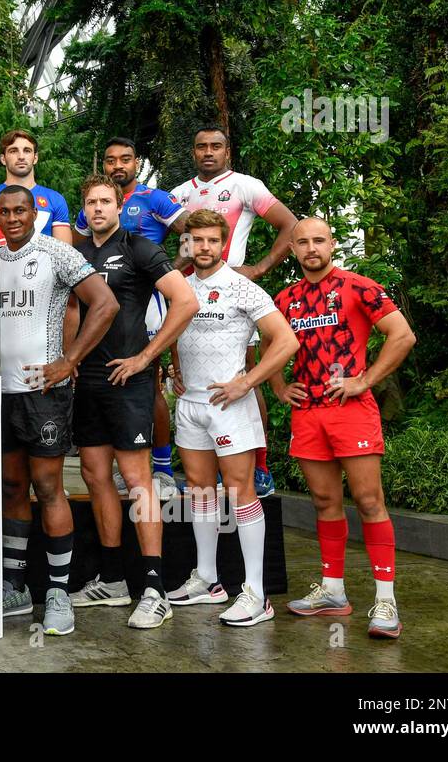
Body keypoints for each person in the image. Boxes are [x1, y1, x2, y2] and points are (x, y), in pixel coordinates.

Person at [0, 186, 117, 636]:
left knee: (48, 486)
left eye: (21, 210)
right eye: (5, 212)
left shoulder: (57, 253)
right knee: (12, 486)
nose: (12, 218)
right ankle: (13, 588)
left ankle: (56, 592)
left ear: (35, 213)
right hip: (1, 394)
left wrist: (69, 360)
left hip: (43, 391)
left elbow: (105, 304)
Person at [271, 217, 416, 639]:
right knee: (322, 500)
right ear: (294, 249)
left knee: (369, 501)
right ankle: (333, 590)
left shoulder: (359, 287)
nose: (311, 247)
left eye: (319, 240)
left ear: (332, 244)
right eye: (302, 242)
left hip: (350, 409)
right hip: (308, 412)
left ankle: (385, 599)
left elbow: (402, 335)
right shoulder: (285, 299)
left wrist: (364, 381)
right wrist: (280, 385)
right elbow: (266, 344)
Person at [67, 175, 197, 628]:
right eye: (91, 203)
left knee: (137, 479)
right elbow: (69, 311)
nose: (98, 208)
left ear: (120, 205)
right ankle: (112, 580)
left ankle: (155, 589)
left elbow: (185, 302)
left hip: (129, 379)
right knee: (95, 475)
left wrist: (145, 357)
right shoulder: (76, 254)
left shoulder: (140, 247)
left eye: (106, 201)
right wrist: (69, 360)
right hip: (88, 381)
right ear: (83, 211)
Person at [167, 210, 298, 626]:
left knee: (241, 492)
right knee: (200, 491)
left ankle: (257, 595)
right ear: (186, 243)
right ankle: (208, 580)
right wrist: (175, 369)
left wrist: (248, 383)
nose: (203, 247)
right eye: (195, 240)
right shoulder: (178, 288)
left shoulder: (243, 288)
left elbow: (286, 340)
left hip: (230, 404)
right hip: (192, 406)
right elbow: (172, 334)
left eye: (211, 240)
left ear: (223, 243)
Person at [169, 125, 298, 498]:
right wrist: (172, 271)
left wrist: (258, 269)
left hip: (232, 291)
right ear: (193, 152)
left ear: (227, 151)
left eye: (216, 146)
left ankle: (259, 467)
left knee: (244, 370)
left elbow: (289, 225)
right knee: (191, 378)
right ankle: (201, 462)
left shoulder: (246, 185)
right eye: (201, 146)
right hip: (191, 292)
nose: (208, 152)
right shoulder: (180, 193)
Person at [71, 137, 189, 494]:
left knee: (148, 382)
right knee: (98, 466)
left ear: (136, 162)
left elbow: (191, 234)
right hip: (97, 333)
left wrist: (168, 270)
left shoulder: (154, 199)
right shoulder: (84, 233)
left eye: (125, 159)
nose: (117, 165)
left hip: (146, 298)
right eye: (110, 160)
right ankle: (124, 465)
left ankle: (162, 468)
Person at [0, 130, 72, 251]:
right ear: (3, 159)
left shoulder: (55, 199)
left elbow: (64, 253)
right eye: (13, 151)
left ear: (35, 158)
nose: (21, 156)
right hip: (1, 268)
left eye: (27, 150)